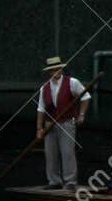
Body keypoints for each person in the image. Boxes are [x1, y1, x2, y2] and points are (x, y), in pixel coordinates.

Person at [35, 55, 90, 189]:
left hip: (66, 122)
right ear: (49, 72)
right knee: (50, 153)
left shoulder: (72, 82)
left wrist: (81, 115)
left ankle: (70, 181)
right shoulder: (45, 88)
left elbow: (86, 97)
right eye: (53, 70)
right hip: (49, 124)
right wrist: (39, 128)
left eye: (58, 68)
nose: (56, 71)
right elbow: (41, 108)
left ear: (61, 69)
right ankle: (54, 181)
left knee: (67, 152)